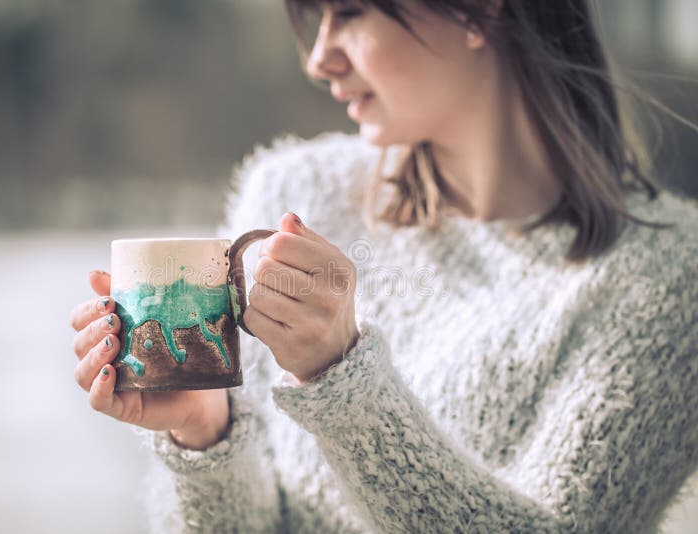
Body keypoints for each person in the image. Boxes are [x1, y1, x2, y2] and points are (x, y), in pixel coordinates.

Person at [68, 0, 698, 532]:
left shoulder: (671, 277)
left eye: (349, 11)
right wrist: (202, 433)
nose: (319, 60)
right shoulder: (298, 195)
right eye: (314, 18)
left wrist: (343, 380)